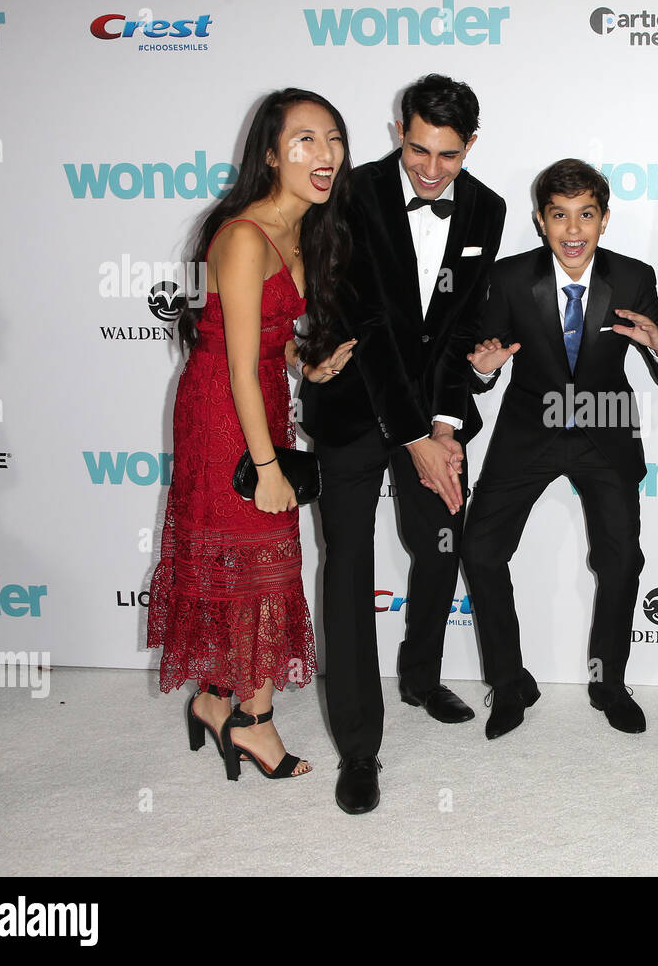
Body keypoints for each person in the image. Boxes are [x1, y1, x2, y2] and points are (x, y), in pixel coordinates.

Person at [298, 74, 507, 814]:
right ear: (397, 130)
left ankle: (420, 674)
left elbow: (458, 330)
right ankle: (359, 746)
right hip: (356, 406)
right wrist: (416, 436)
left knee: (442, 537)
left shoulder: (487, 207)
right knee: (348, 563)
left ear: (469, 147)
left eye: (447, 156)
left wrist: (446, 425)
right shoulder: (349, 194)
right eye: (418, 148)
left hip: (428, 413)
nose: (430, 168)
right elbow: (374, 328)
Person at [148, 88, 356, 782]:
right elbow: (236, 365)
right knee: (259, 559)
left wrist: (305, 360)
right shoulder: (243, 236)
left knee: (248, 562)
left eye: (332, 139)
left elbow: (268, 342)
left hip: (258, 397)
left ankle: (213, 702)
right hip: (224, 412)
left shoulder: (303, 228)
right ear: (271, 155)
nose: (323, 155)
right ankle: (254, 725)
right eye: (304, 140)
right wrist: (266, 465)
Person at [460, 159, 658, 740]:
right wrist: (483, 373)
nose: (572, 229)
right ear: (540, 220)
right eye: (558, 215)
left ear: (604, 219)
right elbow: (484, 362)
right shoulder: (509, 279)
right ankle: (508, 682)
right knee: (482, 552)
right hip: (527, 433)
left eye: (586, 214)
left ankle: (609, 682)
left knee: (621, 563)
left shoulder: (634, 278)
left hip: (604, 433)